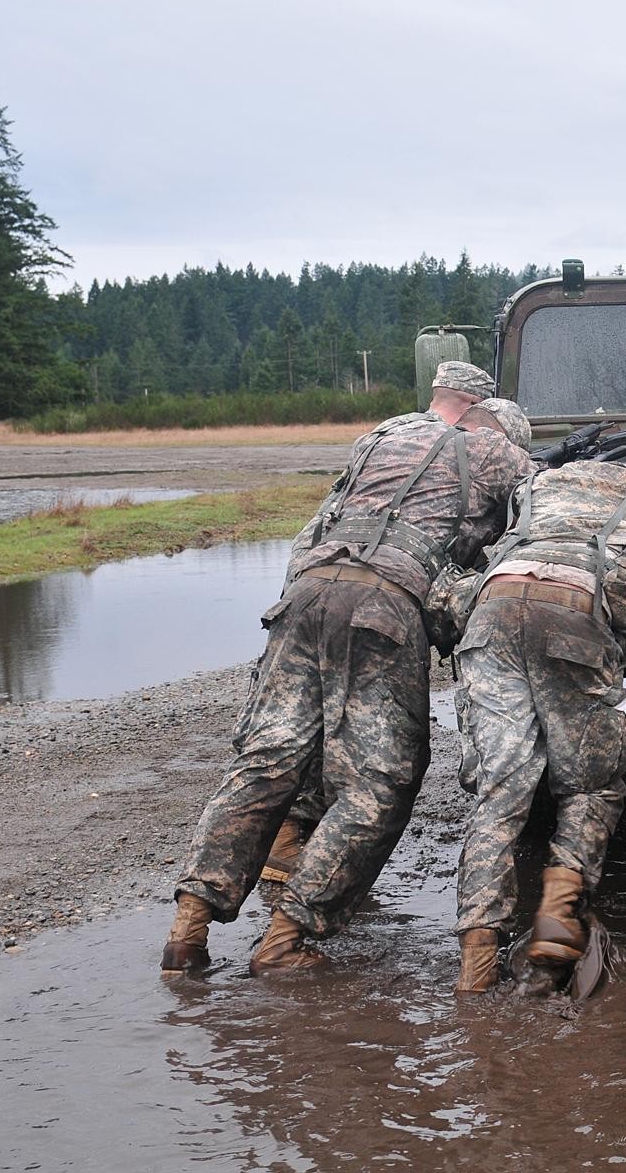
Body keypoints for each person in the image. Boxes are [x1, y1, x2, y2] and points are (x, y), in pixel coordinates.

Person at [160, 364, 533, 975]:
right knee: (379, 783)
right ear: (485, 409)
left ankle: (187, 932)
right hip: (384, 602)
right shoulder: (498, 451)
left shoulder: (381, 435)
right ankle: (286, 938)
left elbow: (322, 519)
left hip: (306, 591)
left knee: (267, 761)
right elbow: (542, 512)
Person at [448, 457, 626, 994]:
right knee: (591, 782)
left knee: (500, 788)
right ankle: (557, 921)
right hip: (575, 610)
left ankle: (477, 955)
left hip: (494, 606)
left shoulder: (537, 485)